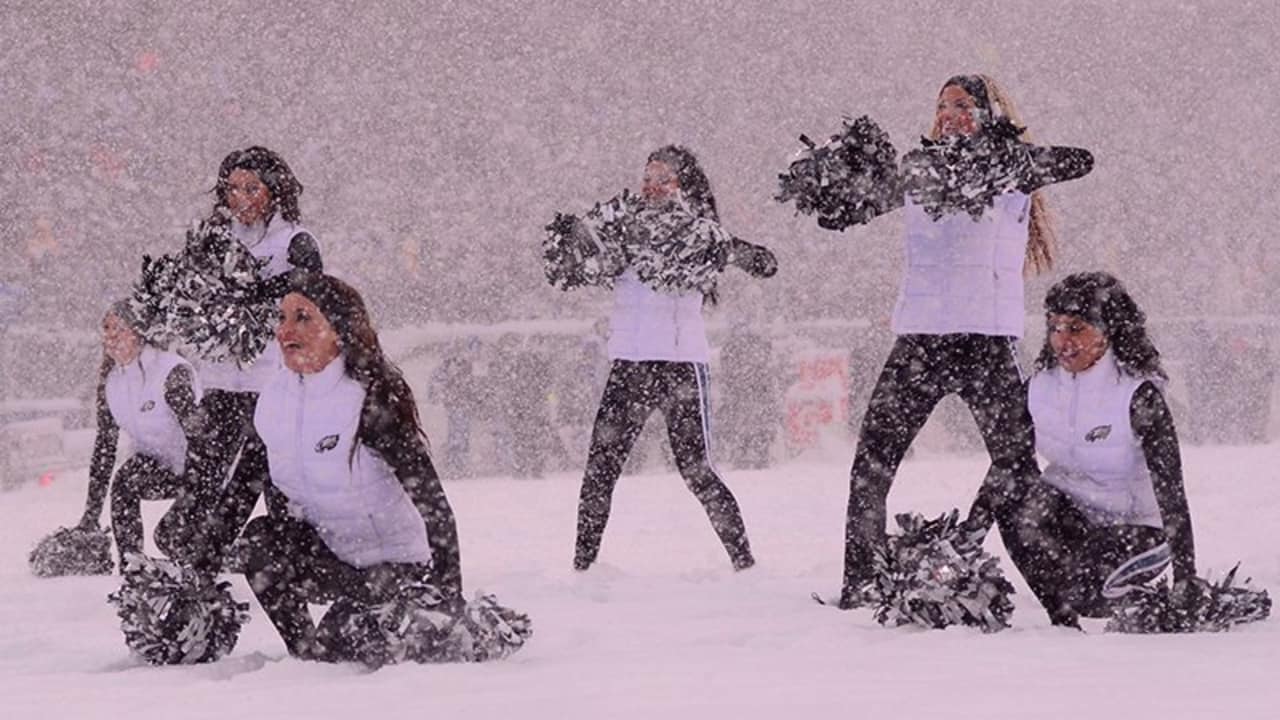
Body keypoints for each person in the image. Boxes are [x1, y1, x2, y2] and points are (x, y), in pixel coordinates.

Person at [839, 75, 1095, 608]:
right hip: (919, 342)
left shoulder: (1010, 169)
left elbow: (1080, 159)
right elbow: (845, 211)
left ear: (988, 112)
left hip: (985, 342)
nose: (949, 114)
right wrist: (844, 182)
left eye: (962, 105)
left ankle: (1037, 579)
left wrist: (998, 161)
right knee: (871, 464)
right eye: (942, 106)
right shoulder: (917, 171)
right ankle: (860, 585)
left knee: (1015, 464)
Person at [193, 273, 461, 661]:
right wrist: (195, 581)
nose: (285, 330)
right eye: (282, 318)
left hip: (398, 570)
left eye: (303, 317)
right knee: (260, 540)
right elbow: (238, 497)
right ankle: (307, 656)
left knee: (346, 639)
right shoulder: (272, 403)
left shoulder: (369, 401)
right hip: (337, 563)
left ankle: (337, 643)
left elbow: (436, 509)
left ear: (339, 331)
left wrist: (449, 602)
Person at [573, 145, 777, 572]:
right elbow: (580, 261)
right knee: (599, 471)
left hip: (680, 365)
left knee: (697, 471)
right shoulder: (622, 231)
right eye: (647, 178)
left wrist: (725, 248)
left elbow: (765, 263)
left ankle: (746, 564)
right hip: (629, 364)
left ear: (684, 186)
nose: (652, 186)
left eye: (663, 178)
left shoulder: (700, 235)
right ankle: (582, 568)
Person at [1015, 272, 1196, 628]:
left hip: (1135, 527)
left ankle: (1127, 593)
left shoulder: (1137, 395)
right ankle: (1062, 618)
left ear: (1107, 331)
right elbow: (1006, 471)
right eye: (1055, 327)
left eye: (1077, 328)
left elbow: (1171, 491)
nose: (1063, 341)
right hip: (1076, 520)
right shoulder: (1038, 388)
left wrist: (1185, 576)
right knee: (1014, 495)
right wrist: (966, 543)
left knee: (1089, 592)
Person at [193, 147, 323, 496]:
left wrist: (256, 292)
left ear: (274, 190)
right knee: (200, 492)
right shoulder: (214, 240)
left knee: (276, 488)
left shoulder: (294, 241)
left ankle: (276, 546)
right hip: (219, 383)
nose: (240, 199)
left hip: (271, 383)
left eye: (251, 189)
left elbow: (312, 292)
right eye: (232, 189)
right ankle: (201, 549)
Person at [76, 300, 204, 567]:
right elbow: (104, 450)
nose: (111, 337)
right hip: (162, 469)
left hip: (200, 469)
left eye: (119, 329)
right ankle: (132, 566)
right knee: (125, 480)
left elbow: (199, 438)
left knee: (170, 538)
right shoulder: (112, 383)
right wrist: (90, 516)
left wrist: (195, 494)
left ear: (138, 332)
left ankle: (210, 562)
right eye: (106, 329)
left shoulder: (170, 371)